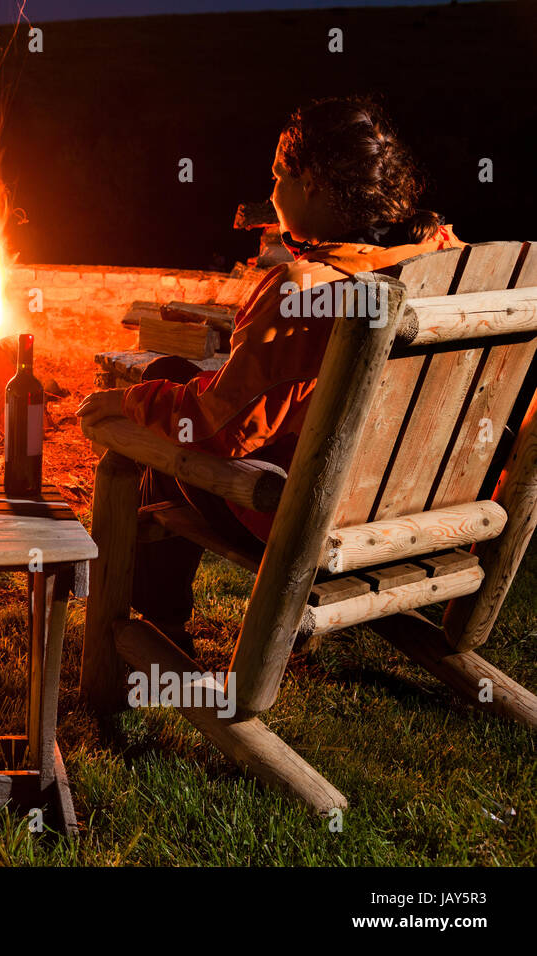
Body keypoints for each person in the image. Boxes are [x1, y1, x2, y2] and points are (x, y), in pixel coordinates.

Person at [77, 95, 465, 658]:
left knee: (163, 427)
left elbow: (219, 429)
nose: (273, 190)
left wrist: (129, 404)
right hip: (421, 511)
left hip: (313, 526)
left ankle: (153, 632)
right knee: (172, 376)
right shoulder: (444, 255)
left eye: (278, 176)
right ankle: (155, 616)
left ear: (311, 184)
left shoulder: (305, 291)